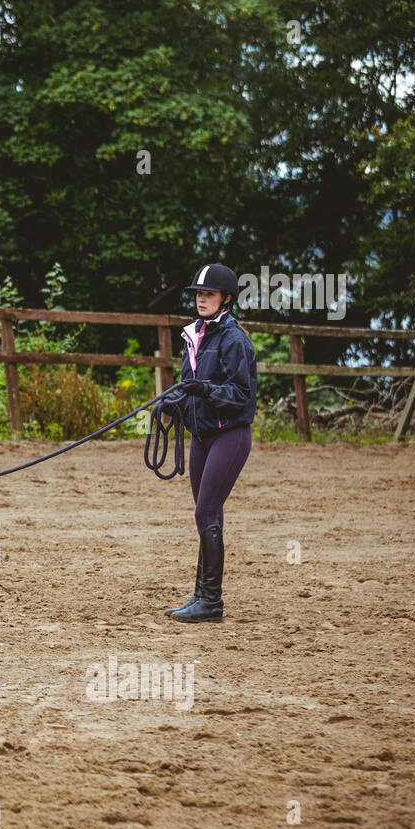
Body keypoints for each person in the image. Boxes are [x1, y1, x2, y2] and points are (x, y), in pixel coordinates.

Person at [164, 263, 258, 622]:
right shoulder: (196, 335)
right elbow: (191, 387)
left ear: (226, 299)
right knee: (208, 515)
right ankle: (202, 595)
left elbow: (240, 395)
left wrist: (204, 389)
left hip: (230, 434)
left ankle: (212, 601)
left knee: (205, 512)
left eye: (209, 294)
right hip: (202, 435)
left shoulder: (234, 340)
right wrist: (175, 404)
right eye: (199, 294)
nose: (202, 300)